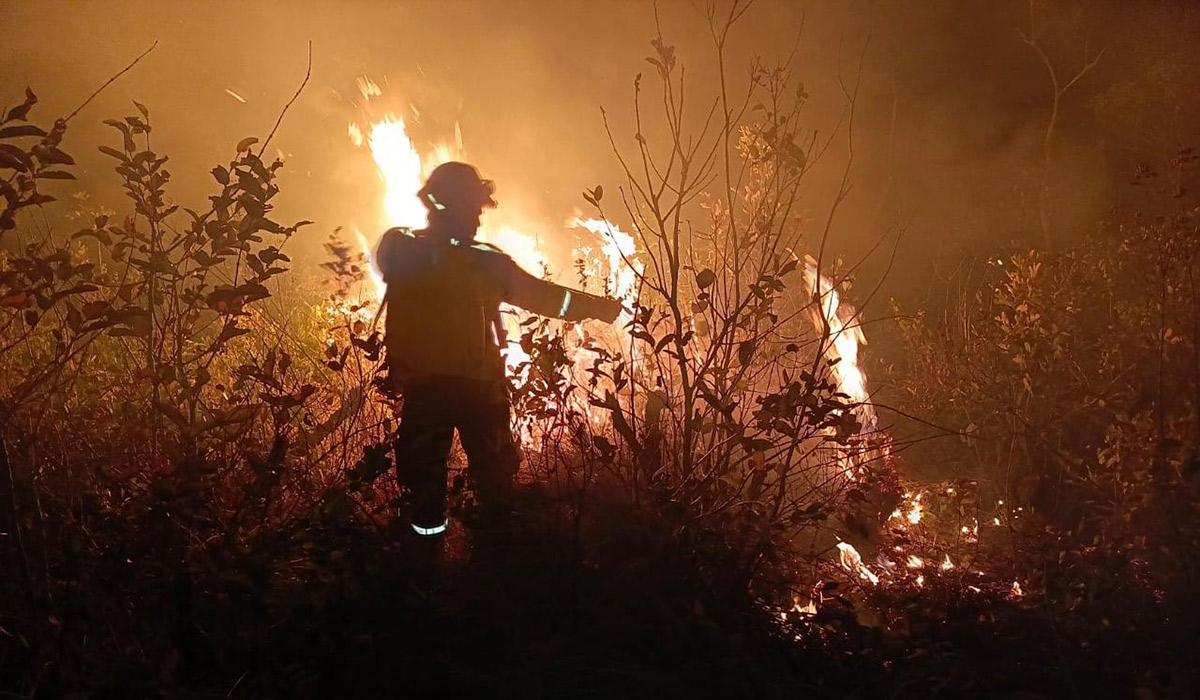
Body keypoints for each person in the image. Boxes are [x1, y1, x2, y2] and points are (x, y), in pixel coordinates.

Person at [375, 162, 622, 538]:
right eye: (473, 207)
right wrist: (599, 308)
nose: (478, 218)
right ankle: (489, 558)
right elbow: (547, 298)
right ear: (452, 206)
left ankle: (427, 561)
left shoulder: (400, 247)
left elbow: (391, 260)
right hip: (478, 391)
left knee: (425, 487)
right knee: (493, 485)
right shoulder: (484, 261)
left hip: (425, 388)